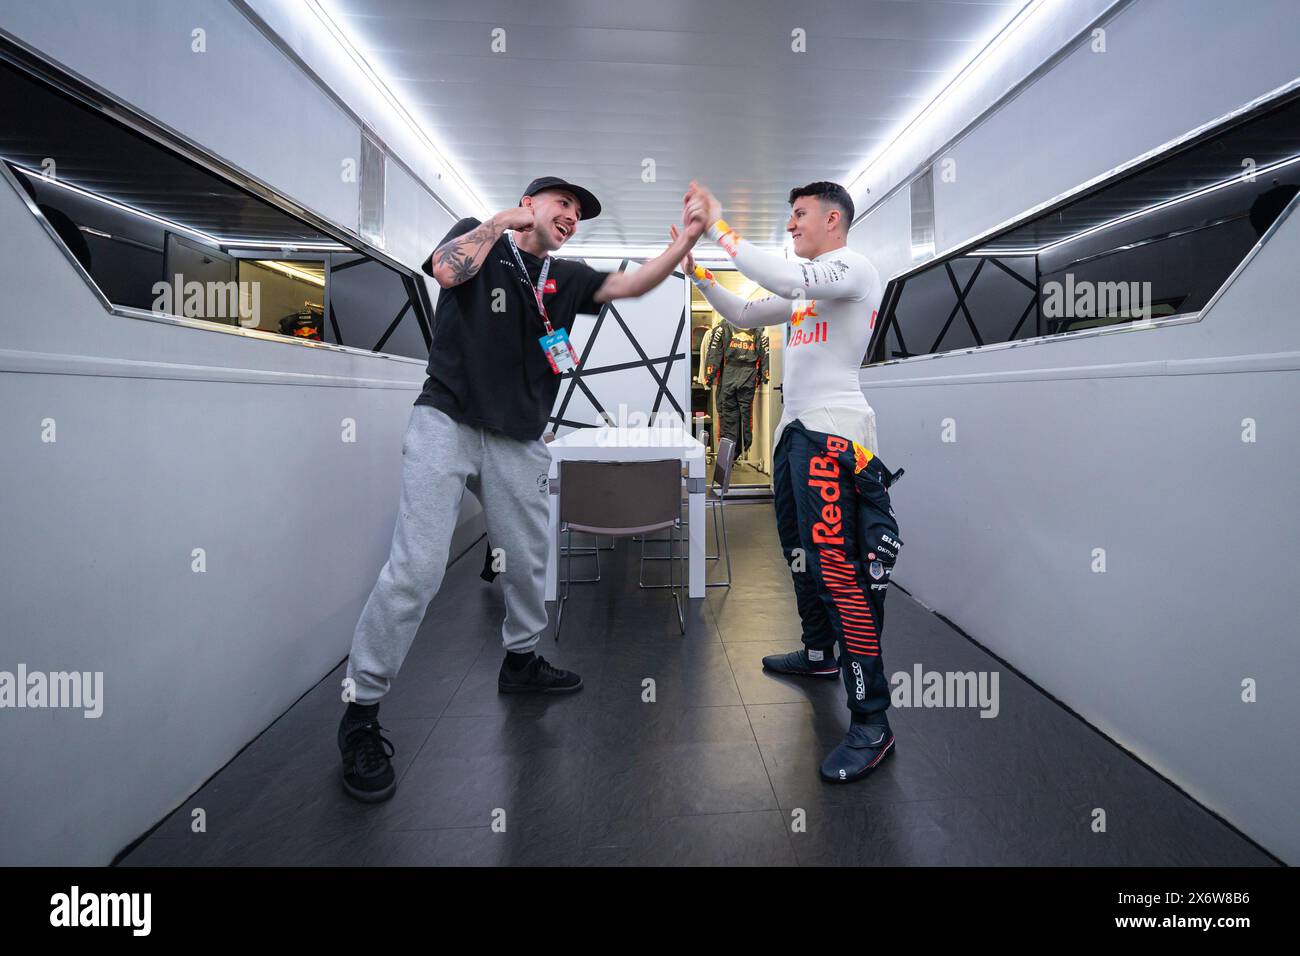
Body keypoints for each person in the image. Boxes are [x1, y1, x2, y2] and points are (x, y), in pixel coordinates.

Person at [338, 176, 706, 802]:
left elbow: (634, 284)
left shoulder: (567, 277)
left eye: (579, 213)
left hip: (518, 436)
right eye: (561, 204)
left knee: (531, 559)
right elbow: (445, 274)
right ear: (530, 204)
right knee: (417, 568)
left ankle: (521, 661)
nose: (570, 217)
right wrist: (496, 223)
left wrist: (686, 244)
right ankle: (361, 711)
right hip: (447, 420)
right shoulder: (474, 240)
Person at [675, 180, 903, 783]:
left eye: (799, 216)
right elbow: (747, 312)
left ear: (834, 219)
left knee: (840, 574)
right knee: (799, 554)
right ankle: (820, 653)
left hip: (837, 436)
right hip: (798, 436)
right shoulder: (806, 292)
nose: (793, 225)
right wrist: (699, 275)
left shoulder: (851, 268)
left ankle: (872, 724)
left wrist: (721, 229)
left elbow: (784, 280)